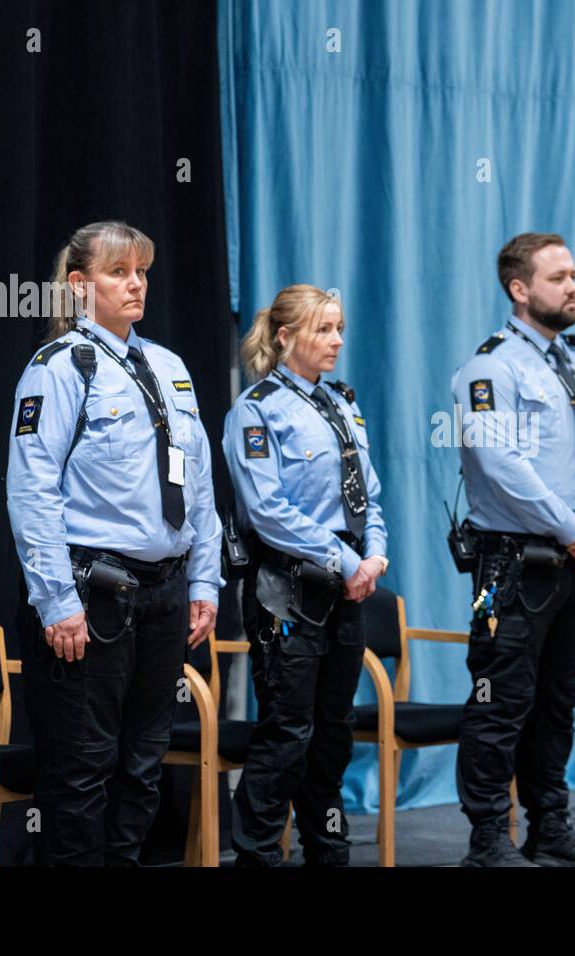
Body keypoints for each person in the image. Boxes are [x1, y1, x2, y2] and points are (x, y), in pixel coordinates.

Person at [7, 220, 222, 866]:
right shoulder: (59, 368)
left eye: (142, 272)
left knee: (143, 764)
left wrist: (205, 582)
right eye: (118, 272)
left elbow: (202, 486)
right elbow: (30, 491)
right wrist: (55, 601)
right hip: (88, 595)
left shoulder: (168, 365)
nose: (136, 284)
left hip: (164, 595)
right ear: (79, 286)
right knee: (82, 769)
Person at [451, 232, 575, 866]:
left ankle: (549, 827)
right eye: (558, 278)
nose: (573, 287)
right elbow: (499, 462)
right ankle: (486, 840)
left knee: (559, 702)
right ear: (520, 289)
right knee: (500, 703)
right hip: (512, 563)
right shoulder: (490, 368)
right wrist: (569, 527)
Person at [222, 284, 388, 867]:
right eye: (324, 329)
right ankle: (259, 856)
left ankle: (328, 849)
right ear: (287, 336)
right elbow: (267, 510)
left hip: (346, 588)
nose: (337, 340)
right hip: (287, 593)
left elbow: (367, 494)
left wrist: (376, 553)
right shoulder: (257, 409)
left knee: (334, 729)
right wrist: (346, 562)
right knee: (288, 732)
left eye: (340, 328)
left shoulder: (341, 401)